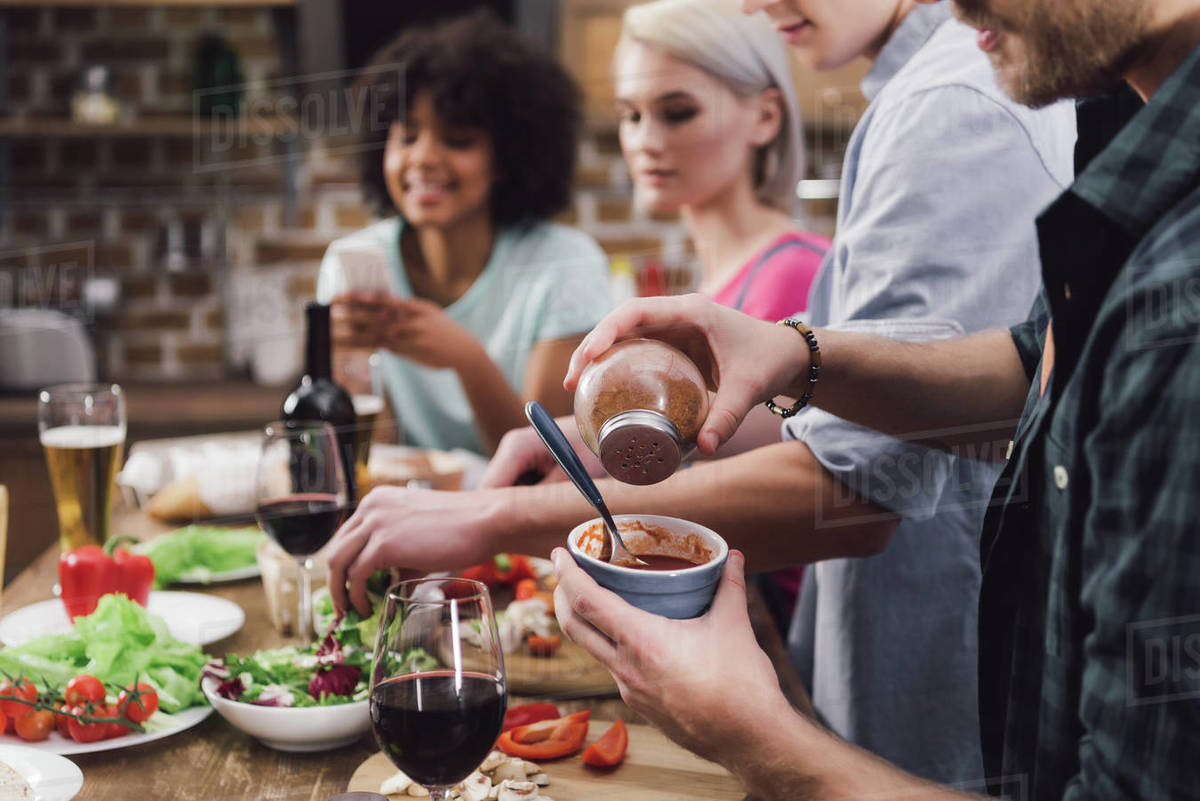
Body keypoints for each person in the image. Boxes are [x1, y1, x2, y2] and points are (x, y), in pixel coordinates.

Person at [325, 0, 1076, 784]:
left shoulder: (945, 109)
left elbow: (855, 488)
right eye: (630, 115)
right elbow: (977, 385)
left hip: (939, 679)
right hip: (877, 665)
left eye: (675, 111)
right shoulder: (919, 96)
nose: (754, 2)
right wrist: (766, 375)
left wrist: (491, 518)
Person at [551, 0, 1200, 797]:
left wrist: (757, 736)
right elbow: (1038, 366)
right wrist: (796, 353)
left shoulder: (1179, 286)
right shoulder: (1138, 153)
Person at [613, 0, 829, 615]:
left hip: (777, 628)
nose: (645, 141)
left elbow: (762, 482)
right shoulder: (716, 280)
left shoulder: (794, 270)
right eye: (629, 116)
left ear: (765, 116)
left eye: (677, 112)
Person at [316, 11, 612, 455]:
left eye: (457, 141)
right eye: (406, 137)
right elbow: (371, 458)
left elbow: (546, 464)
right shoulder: (354, 262)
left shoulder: (564, 263)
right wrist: (341, 360)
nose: (423, 159)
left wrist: (467, 361)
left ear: (508, 157)